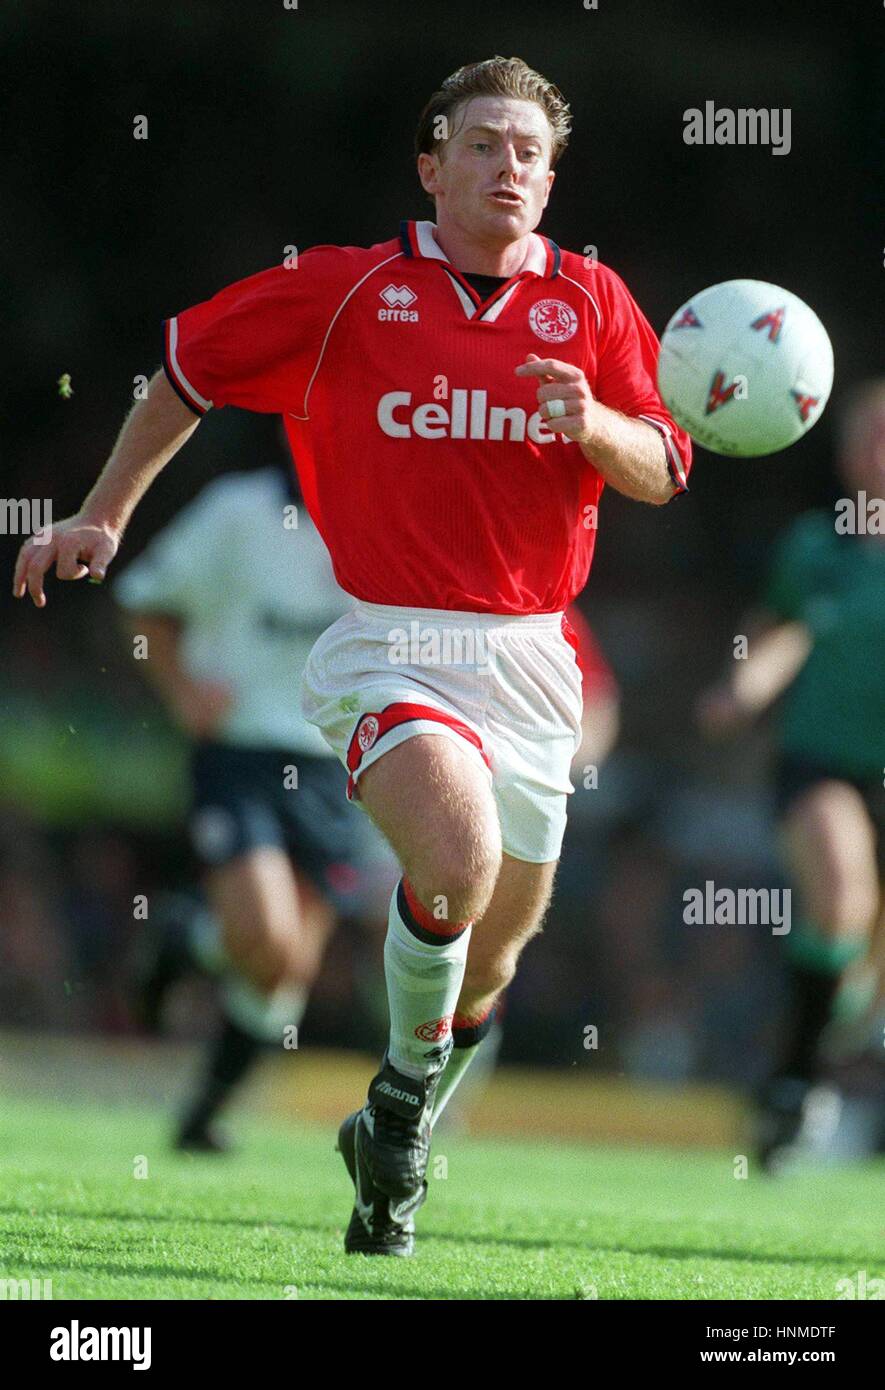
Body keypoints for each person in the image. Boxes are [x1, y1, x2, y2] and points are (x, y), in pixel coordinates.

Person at [14, 56, 691, 1255]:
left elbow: (666, 463)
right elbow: (185, 370)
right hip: (392, 642)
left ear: (552, 178)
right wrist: (105, 513)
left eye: (530, 152)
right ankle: (399, 1113)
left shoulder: (592, 303)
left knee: (493, 958)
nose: (509, 168)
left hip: (536, 655)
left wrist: (589, 422)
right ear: (431, 166)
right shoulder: (344, 291)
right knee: (459, 857)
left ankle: (390, 1116)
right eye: (482, 144)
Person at [113, 462, 397, 1150]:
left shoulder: (392, 512)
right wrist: (182, 689)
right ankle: (193, 962)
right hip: (242, 755)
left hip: (337, 767)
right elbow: (144, 597)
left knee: (287, 967)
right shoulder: (237, 509)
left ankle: (200, 1103)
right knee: (270, 942)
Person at [697, 381, 885, 1168]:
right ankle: (792, 1089)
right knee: (839, 891)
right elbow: (778, 631)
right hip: (823, 761)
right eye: (870, 435)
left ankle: (816, 1046)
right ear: (845, 453)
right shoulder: (816, 545)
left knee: (856, 981)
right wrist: (744, 684)